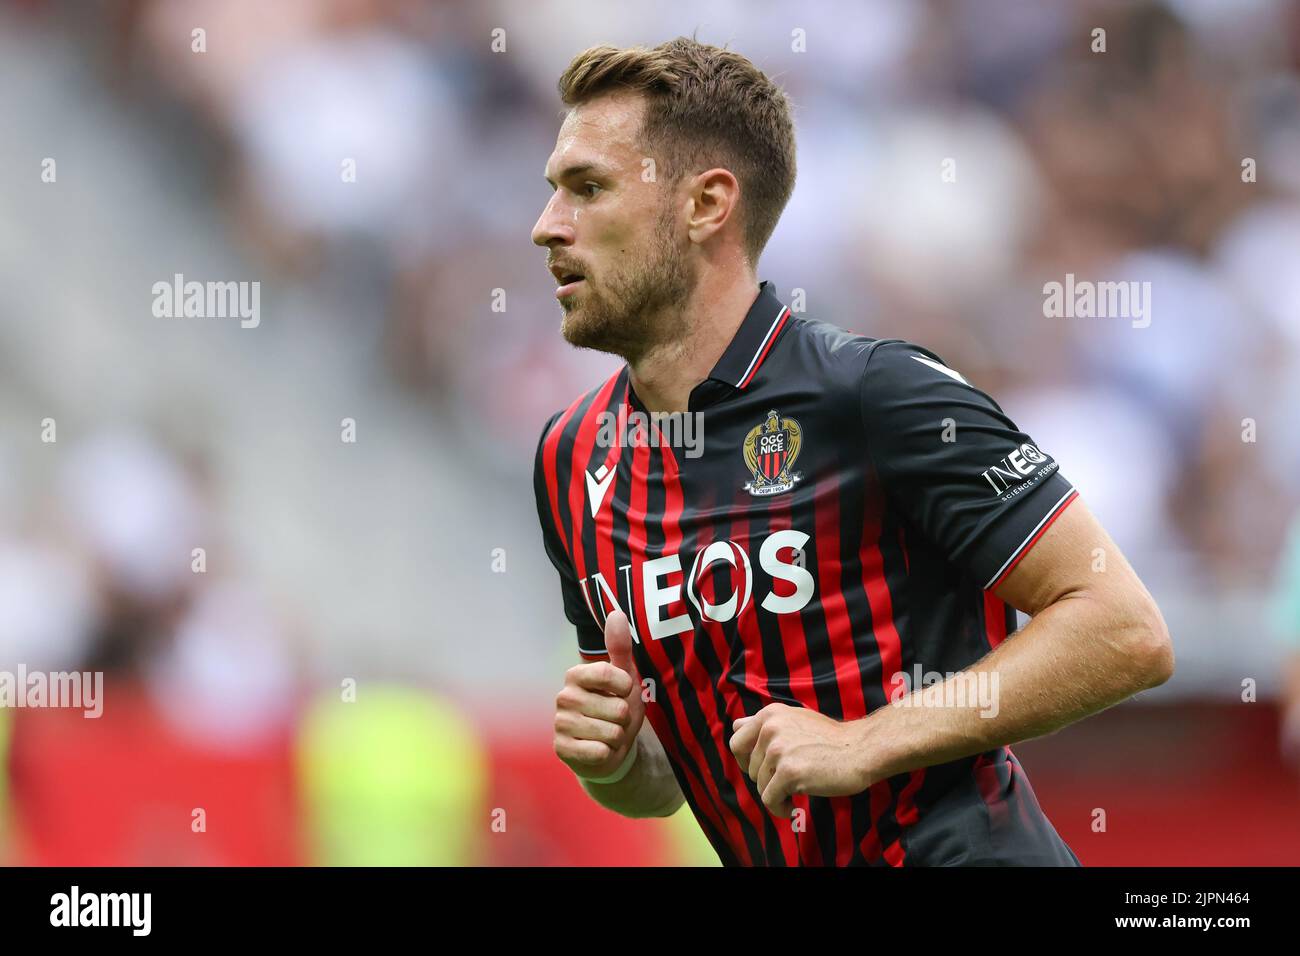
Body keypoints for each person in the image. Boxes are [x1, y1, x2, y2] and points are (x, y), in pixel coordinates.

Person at [530, 37, 1173, 866]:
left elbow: (1124, 628)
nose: (548, 226)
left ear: (705, 205)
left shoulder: (877, 395)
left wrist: (868, 740)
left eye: (588, 189)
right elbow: (671, 777)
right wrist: (618, 759)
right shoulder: (570, 461)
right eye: (554, 192)